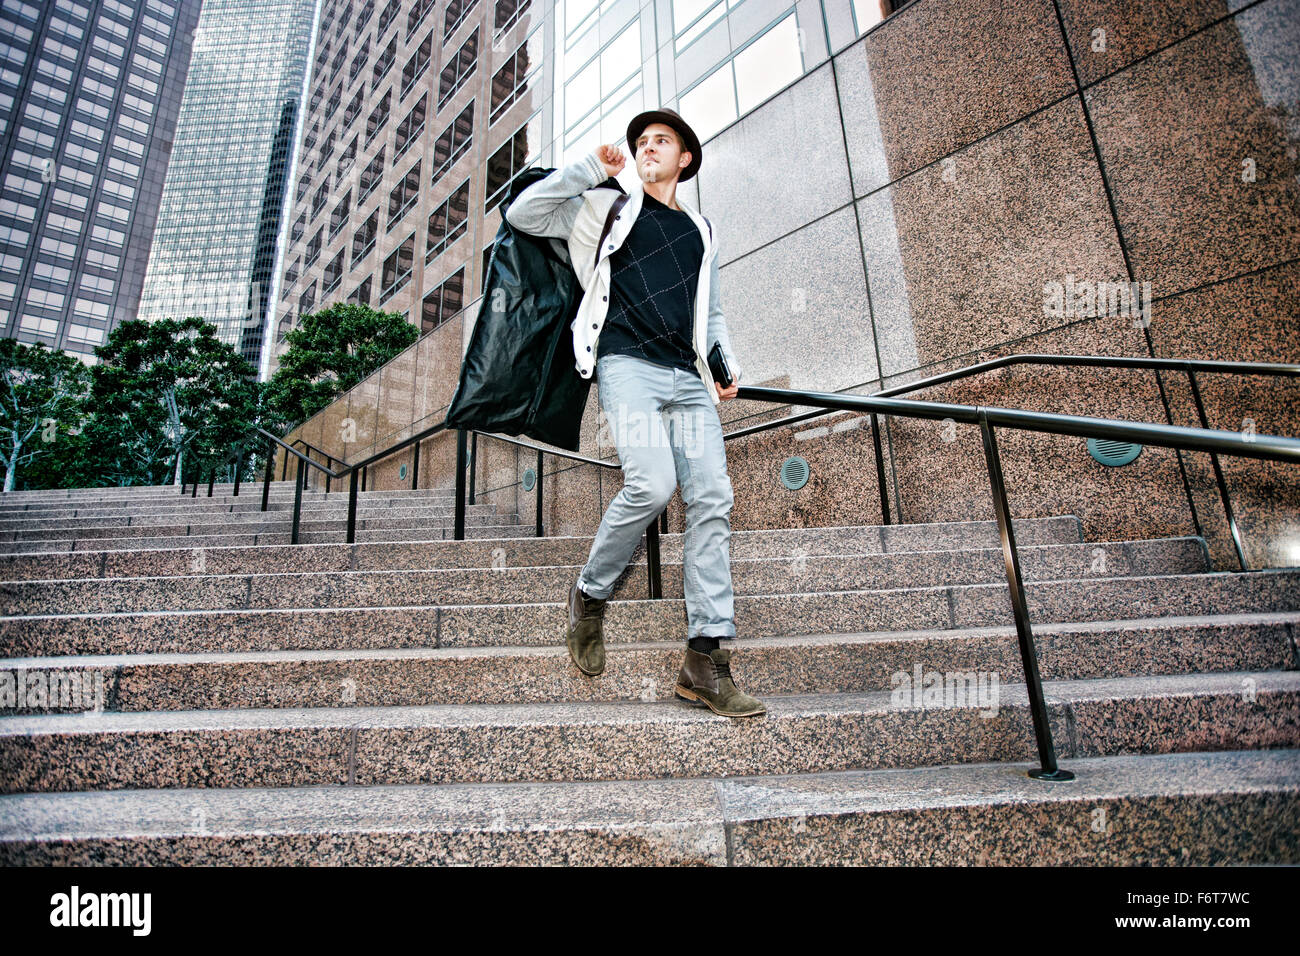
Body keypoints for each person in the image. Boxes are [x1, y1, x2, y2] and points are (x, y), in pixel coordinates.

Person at [504, 108, 765, 718]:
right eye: (641, 141)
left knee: (712, 499)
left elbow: (713, 312)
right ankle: (591, 594)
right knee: (651, 483)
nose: (648, 148)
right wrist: (592, 168)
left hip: (688, 378)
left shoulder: (701, 228)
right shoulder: (607, 208)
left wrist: (722, 361)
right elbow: (524, 214)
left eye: (661, 141)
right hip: (628, 366)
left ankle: (703, 658)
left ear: (685, 159)